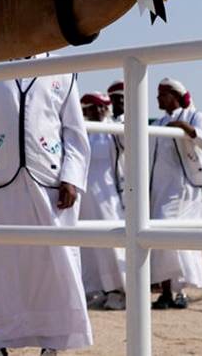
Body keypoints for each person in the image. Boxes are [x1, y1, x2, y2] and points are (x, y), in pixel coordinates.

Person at [0, 64, 93, 356]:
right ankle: (1, 343)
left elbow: (75, 134)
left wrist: (71, 178)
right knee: (2, 265)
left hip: (50, 186)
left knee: (53, 265)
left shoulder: (63, 71)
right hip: (1, 185)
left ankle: (52, 343)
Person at [149, 77, 202, 309]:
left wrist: (184, 128)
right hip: (159, 190)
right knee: (159, 239)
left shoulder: (195, 116)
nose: (158, 99)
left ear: (175, 95)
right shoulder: (157, 123)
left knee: (181, 239)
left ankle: (181, 292)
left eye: (162, 94)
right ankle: (166, 292)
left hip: (183, 190)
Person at [77, 92, 126, 311]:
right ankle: (99, 289)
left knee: (111, 245)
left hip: (107, 197)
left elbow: (128, 142)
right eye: (93, 107)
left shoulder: (113, 129)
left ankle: (120, 291)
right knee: (89, 246)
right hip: (85, 199)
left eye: (102, 107)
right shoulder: (81, 130)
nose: (98, 111)